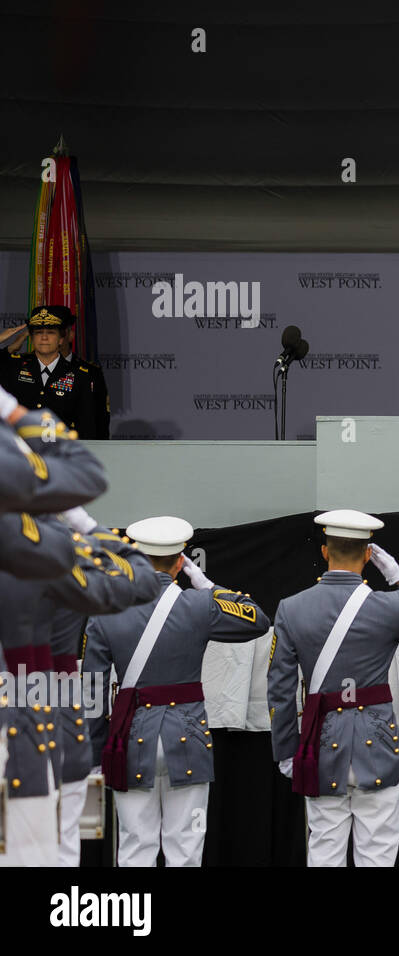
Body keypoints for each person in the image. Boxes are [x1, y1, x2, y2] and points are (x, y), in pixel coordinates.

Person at [83, 515, 270, 866]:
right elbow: (256, 618)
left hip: (131, 737)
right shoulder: (200, 606)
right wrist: (206, 585)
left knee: (135, 845)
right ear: (181, 560)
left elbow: (91, 692)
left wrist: (94, 755)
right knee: (186, 846)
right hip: (187, 737)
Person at [268, 510, 399, 866]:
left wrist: (286, 749)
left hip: (320, 744)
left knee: (324, 849)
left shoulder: (291, 609)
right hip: (376, 742)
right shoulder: (391, 605)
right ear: (369, 555)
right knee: (378, 852)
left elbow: (279, 687)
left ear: (324, 551)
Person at [0, 508, 156, 866]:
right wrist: (85, 524)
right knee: (66, 842)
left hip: (14, 702)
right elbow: (140, 577)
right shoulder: (75, 553)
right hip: (63, 712)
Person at [0, 307, 101, 438]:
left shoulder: (79, 374)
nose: (44, 337)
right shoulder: (14, 366)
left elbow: (86, 424)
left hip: (60, 452)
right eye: (38, 332)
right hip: (21, 452)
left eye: (51, 332)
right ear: (31, 338)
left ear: (60, 339)